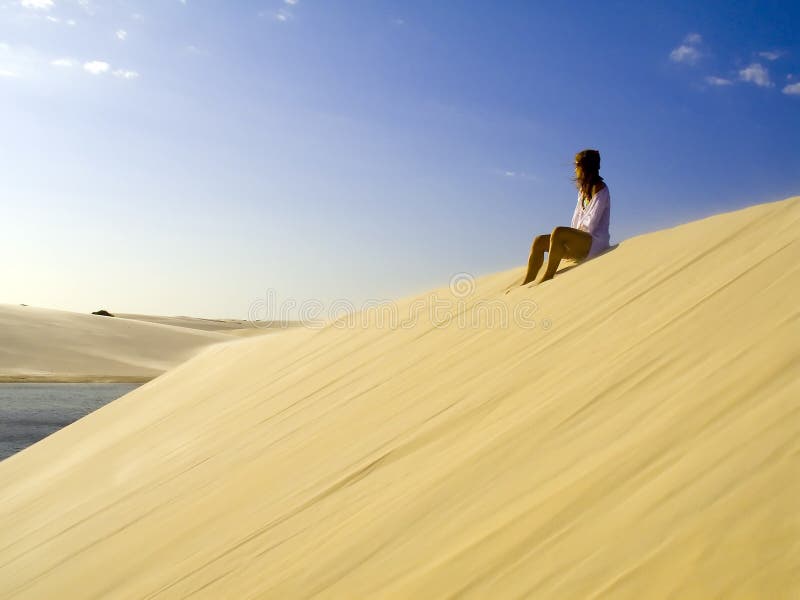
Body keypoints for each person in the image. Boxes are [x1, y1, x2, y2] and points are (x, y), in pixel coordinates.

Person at [519, 149, 611, 285]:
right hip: (579, 242)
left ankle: (547, 278)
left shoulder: (600, 189)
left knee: (559, 232)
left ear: (584, 166)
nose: (574, 170)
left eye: (576, 165)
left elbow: (591, 225)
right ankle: (527, 282)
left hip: (595, 244)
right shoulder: (582, 191)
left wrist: (567, 238)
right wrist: (567, 239)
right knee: (539, 241)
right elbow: (576, 221)